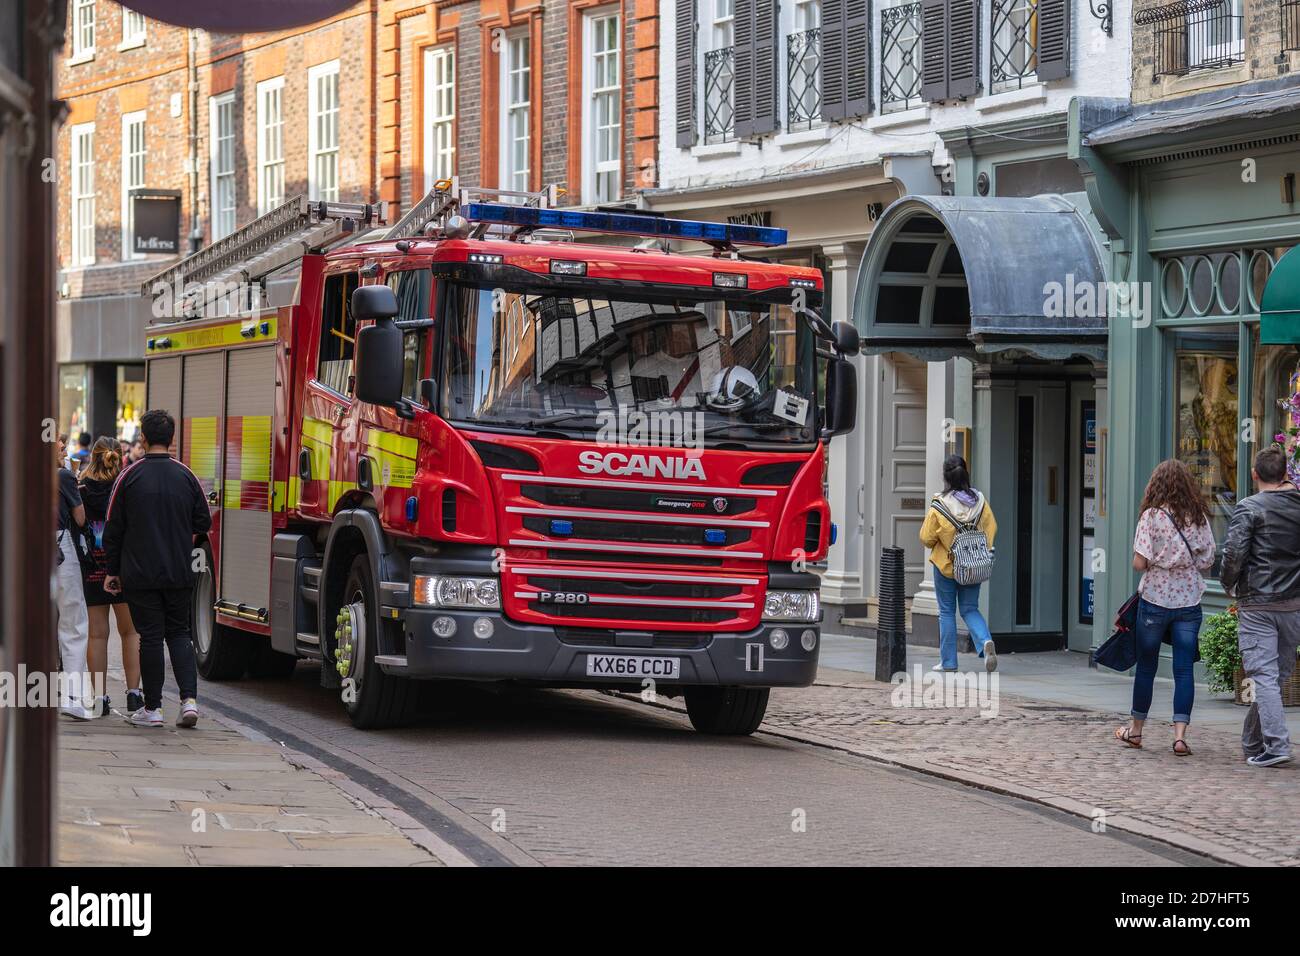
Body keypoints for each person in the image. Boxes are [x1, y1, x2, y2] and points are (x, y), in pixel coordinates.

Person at [104, 409, 211, 728]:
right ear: (172, 438)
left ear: (143, 438)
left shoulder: (129, 476)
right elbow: (203, 520)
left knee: (149, 637)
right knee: (180, 633)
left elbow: (113, 527)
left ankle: (152, 709)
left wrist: (113, 570)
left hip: (139, 572)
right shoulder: (186, 475)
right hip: (179, 570)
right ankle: (189, 701)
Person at [1115, 459, 1216, 755]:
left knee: (1146, 667)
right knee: (1184, 669)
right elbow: (1208, 560)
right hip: (1188, 601)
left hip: (1156, 599)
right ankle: (1180, 736)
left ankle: (1135, 732)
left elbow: (1139, 563)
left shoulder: (1151, 516)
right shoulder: (1198, 517)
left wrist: (1159, 559)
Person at [1220, 446, 1300, 768]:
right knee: (1274, 677)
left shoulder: (1249, 507)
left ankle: (1278, 745)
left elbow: (1234, 553)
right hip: (1292, 603)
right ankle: (1253, 741)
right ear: (1285, 474)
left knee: (1264, 677)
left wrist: (1228, 584)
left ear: (1254, 474)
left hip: (1257, 602)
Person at [79, 437, 143, 717]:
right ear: (119, 457)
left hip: (92, 568)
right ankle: (133, 694)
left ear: (93, 458)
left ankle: (100, 698)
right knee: (130, 632)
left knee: (96, 634)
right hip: (123, 569)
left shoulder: (80, 489)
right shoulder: (127, 488)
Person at [919, 454, 999, 673]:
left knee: (946, 612)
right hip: (973, 566)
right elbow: (991, 530)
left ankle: (949, 663)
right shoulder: (981, 502)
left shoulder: (939, 505)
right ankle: (984, 642)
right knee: (970, 608)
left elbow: (926, 538)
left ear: (946, 477)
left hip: (946, 567)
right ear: (966, 473)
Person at [54, 441, 93, 720]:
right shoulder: (63, 476)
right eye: (60, 445)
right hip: (59, 548)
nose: (65, 451)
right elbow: (80, 518)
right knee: (73, 622)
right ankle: (71, 696)